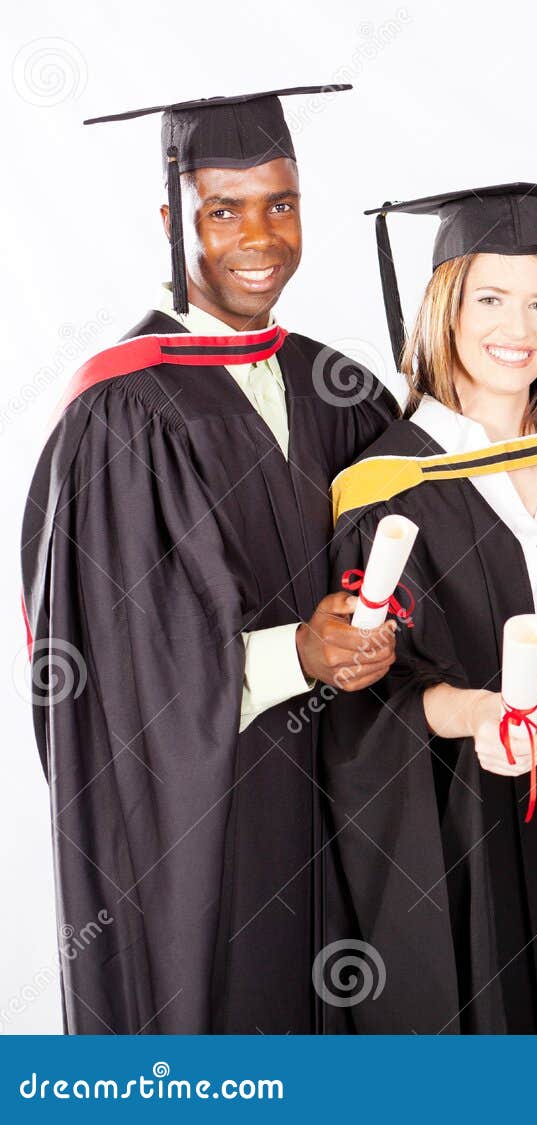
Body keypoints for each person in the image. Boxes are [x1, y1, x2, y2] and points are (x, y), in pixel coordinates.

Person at [20, 85, 400, 1034]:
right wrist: (297, 655)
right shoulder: (124, 409)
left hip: (347, 806)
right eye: (223, 210)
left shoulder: (333, 381)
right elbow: (118, 668)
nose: (258, 236)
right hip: (208, 826)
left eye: (281, 204)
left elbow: (440, 495)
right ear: (170, 221)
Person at [322, 182, 537, 1032]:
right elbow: (362, 692)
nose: (519, 328)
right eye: (490, 299)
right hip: (481, 840)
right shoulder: (385, 486)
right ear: (444, 308)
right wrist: (472, 711)